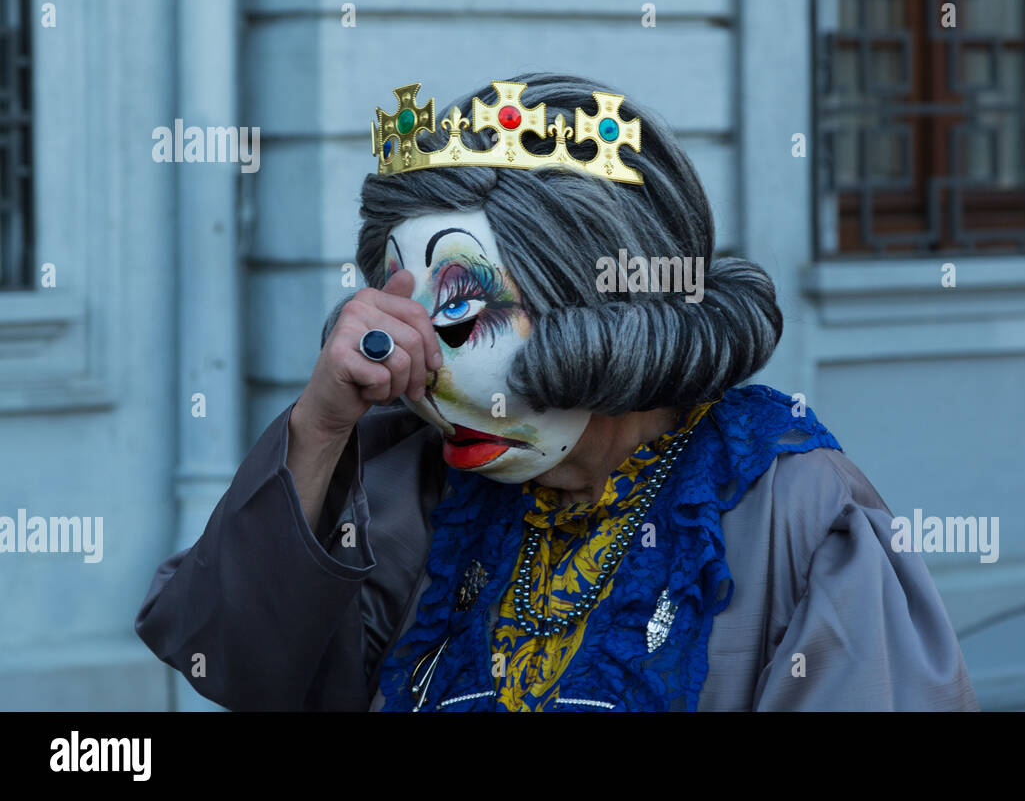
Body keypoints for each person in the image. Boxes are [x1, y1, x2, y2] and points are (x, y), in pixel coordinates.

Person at [135, 71, 979, 712]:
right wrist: (321, 424)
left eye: (461, 306)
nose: (422, 368)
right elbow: (237, 663)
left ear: (605, 304)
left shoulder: (792, 513)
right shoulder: (418, 493)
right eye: (401, 308)